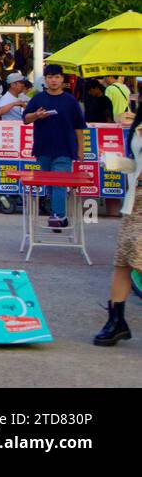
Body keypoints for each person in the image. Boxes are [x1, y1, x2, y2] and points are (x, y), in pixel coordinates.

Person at [93, 108, 141, 346]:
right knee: (123, 262)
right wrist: (114, 162)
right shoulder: (138, 123)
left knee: (138, 260)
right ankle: (116, 322)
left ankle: (117, 323)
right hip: (135, 202)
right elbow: (135, 165)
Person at [24, 65, 88, 231]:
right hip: (43, 148)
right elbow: (26, 119)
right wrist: (36, 115)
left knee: (59, 183)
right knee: (50, 184)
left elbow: (79, 127)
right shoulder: (38, 99)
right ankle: (59, 215)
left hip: (65, 148)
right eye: (50, 77)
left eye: (57, 77)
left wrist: (81, 149)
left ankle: (58, 216)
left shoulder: (70, 100)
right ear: (45, 79)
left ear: (62, 79)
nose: (54, 80)